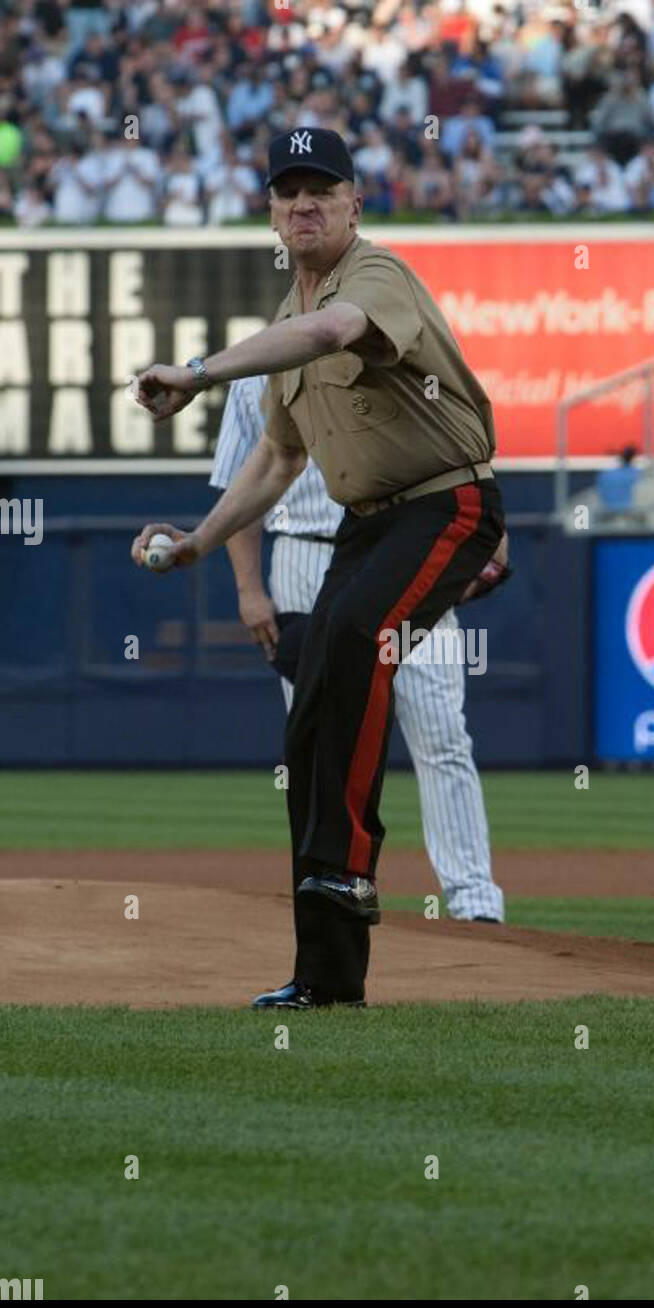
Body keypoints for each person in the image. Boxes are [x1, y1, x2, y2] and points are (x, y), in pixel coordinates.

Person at [131, 128, 506, 1011]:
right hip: (369, 526)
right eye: (287, 190)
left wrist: (196, 372)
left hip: (446, 503)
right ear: (270, 209)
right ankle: (328, 973)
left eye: (320, 189)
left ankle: (358, 871)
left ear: (353, 205)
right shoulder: (280, 343)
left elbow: (334, 329)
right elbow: (273, 463)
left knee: (349, 641)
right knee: (307, 717)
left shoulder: (374, 277)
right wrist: (195, 543)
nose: (303, 204)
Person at [210, 376, 504, 924]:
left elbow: (462, 455)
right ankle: (327, 897)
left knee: (442, 735)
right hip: (302, 558)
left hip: (404, 552)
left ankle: (474, 901)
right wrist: (249, 590)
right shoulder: (256, 375)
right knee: (322, 743)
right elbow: (239, 493)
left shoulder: (398, 358)